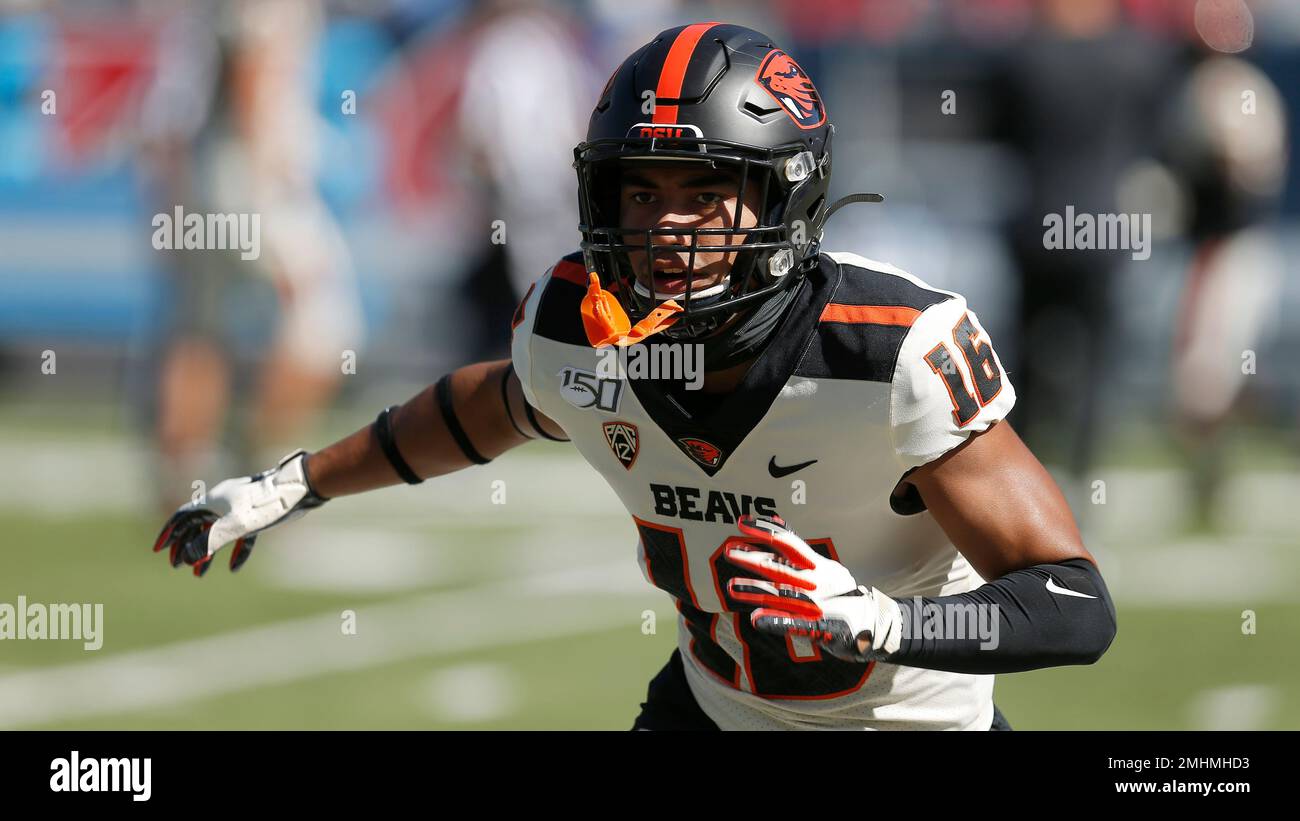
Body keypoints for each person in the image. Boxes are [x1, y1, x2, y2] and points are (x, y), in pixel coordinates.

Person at [152, 23, 1116, 731]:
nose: (667, 228)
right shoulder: (578, 326)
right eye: (641, 193)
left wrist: (875, 621)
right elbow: (477, 410)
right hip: (709, 713)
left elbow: (1074, 605)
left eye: (707, 194)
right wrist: (300, 482)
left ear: (787, 195)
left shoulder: (890, 351)